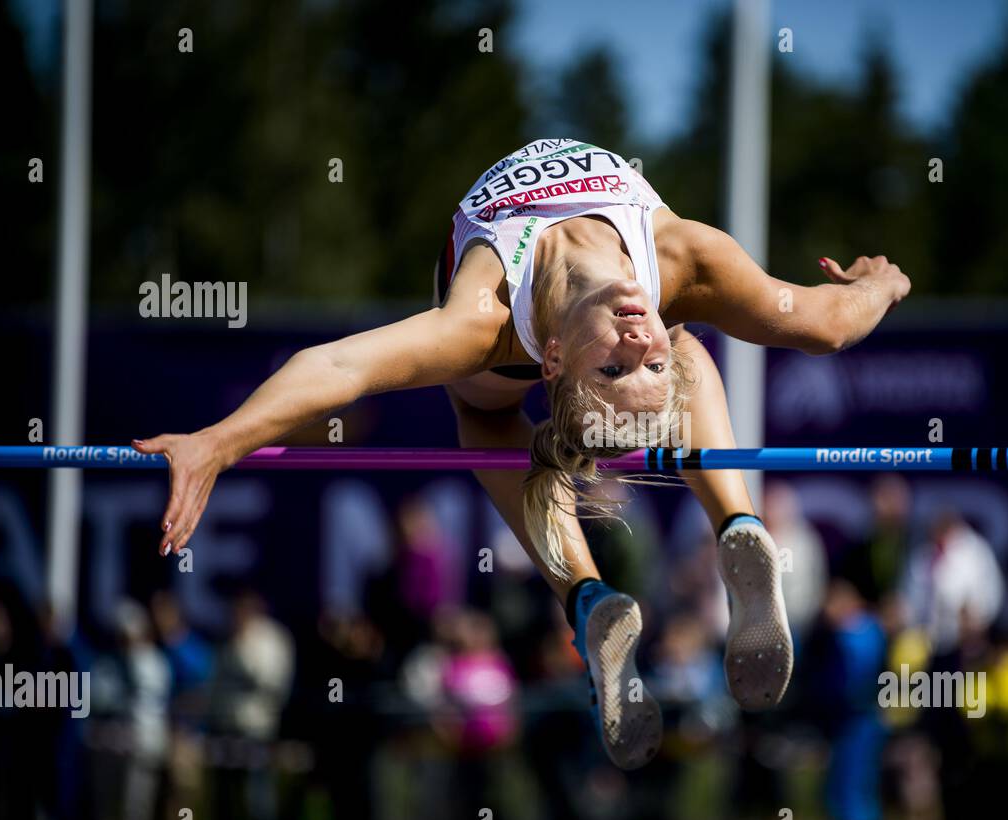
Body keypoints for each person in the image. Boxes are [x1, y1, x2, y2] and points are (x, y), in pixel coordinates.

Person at [133, 139, 910, 768]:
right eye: (639, 361)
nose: (640, 340)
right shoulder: (673, 263)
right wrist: (878, 286)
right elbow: (826, 322)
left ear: (557, 366)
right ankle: (724, 530)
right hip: (553, 308)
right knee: (670, 355)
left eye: (617, 365)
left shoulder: (482, 320)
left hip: (513, 328)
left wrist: (217, 442)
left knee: (489, 417)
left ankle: (596, 596)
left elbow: (340, 367)